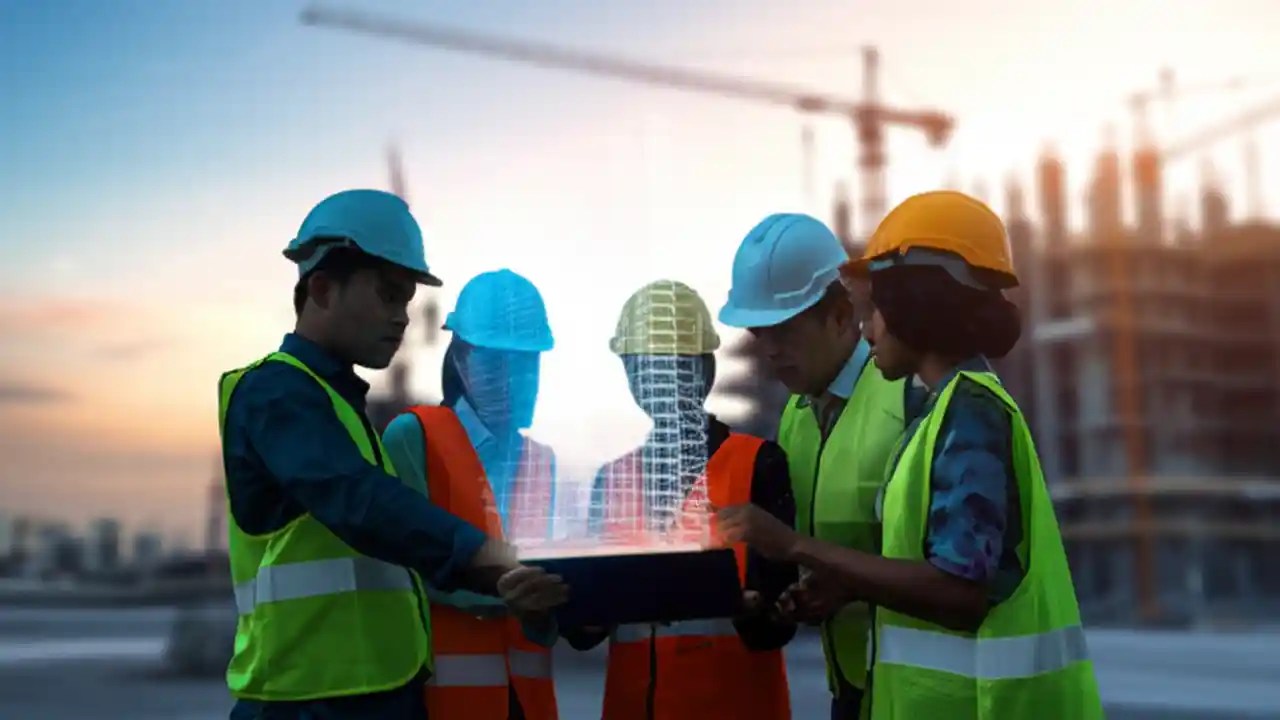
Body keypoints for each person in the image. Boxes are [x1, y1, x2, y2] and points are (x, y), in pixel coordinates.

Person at [717, 191, 1104, 719]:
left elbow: (960, 591)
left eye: (875, 307)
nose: (868, 325)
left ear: (915, 308)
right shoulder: (938, 412)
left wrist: (797, 547)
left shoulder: (967, 414)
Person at [219, 190, 568, 720]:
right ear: (322, 288)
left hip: (373, 694)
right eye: (388, 296)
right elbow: (360, 502)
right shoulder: (275, 394)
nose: (402, 318)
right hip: (303, 702)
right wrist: (488, 560)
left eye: (406, 301)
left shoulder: (340, 406)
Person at [563, 279, 796, 720]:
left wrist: (751, 610)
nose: (657, 379)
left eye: (673, 364)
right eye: (643, 366)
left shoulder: (758, 466)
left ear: (704, 371)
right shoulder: (610, 482)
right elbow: (583, 632)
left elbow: (779, 622)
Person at [717, 213, 915, 719]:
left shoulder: (907, 399)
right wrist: (790, 597)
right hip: (850, 690)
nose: (768, 351)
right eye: (759, 333)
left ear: (840, 316)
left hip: (919, 691)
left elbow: (951, 578)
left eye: (783, 330)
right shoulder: (797, 418)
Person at [382, 269, 561, 720]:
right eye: (497, 361)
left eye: (528, 361)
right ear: (461, 360)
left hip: (529, 699)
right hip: (442, 701)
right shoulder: (414, 437)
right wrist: (502, 592)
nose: (516, 376)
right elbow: (399, 573)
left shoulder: (543, 462)